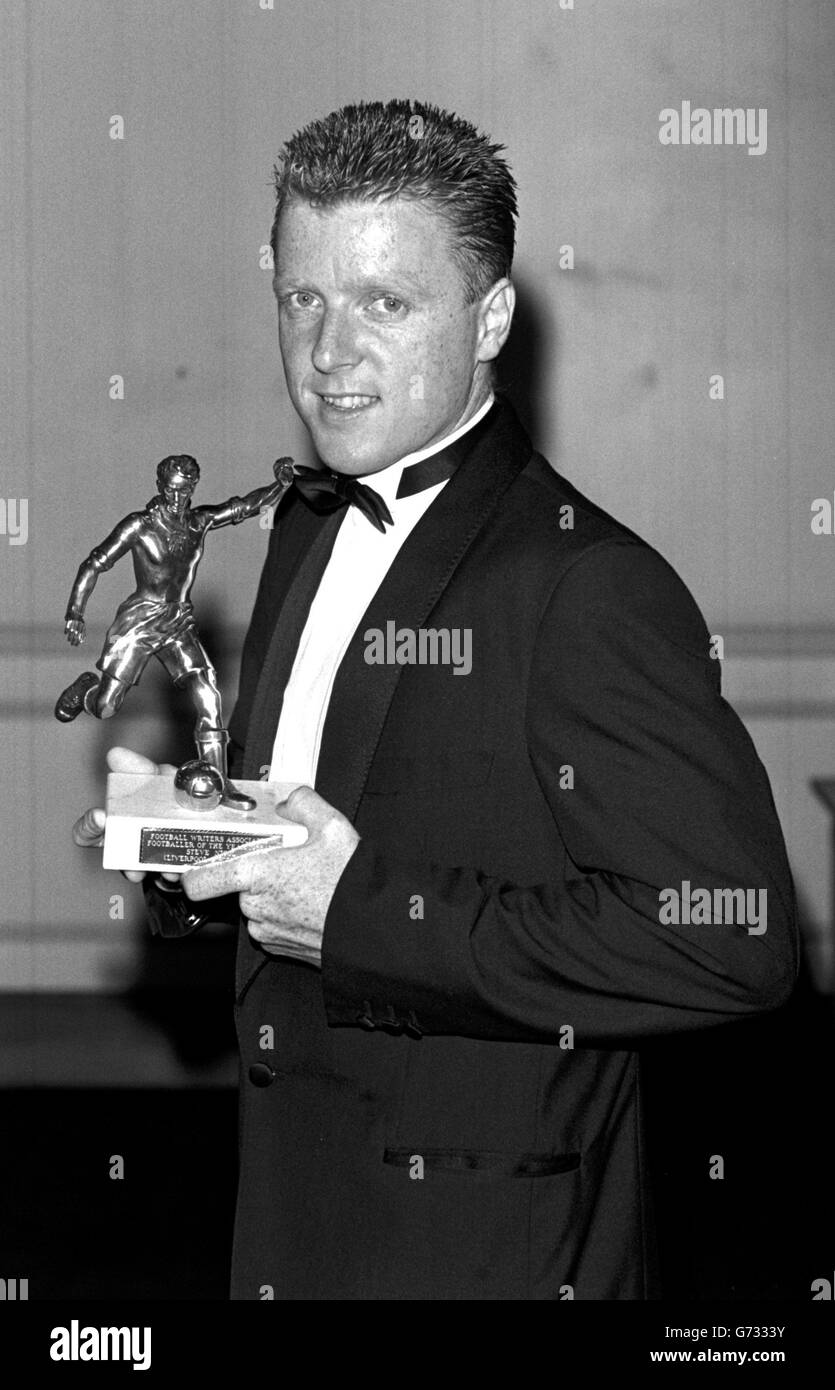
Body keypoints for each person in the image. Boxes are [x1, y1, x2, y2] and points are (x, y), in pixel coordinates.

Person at [74, 99, 797, 1300]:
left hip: (488, 1261)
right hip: (291, 1223)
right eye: (302, 298)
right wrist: (197, 849)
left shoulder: (588, 587)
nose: (328, 354)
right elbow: (335, 816)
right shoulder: (303, 523)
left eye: (384, 304)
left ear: (491, 319)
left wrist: (356, 911)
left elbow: (729, 940)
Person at [57, 453, 293, 809]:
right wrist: (75, 611)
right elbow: (94, 562)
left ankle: (221, 784)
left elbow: (243, 507)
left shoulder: (198, 522)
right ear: (159, 486)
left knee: (208, 694)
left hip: (178, 621)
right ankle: (87, 688)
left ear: (193, 489)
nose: (176, 499)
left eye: (184, 491)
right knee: (106, 708)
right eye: (171, 490)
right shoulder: (139, 525)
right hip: (139, 620)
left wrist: (282, 484)